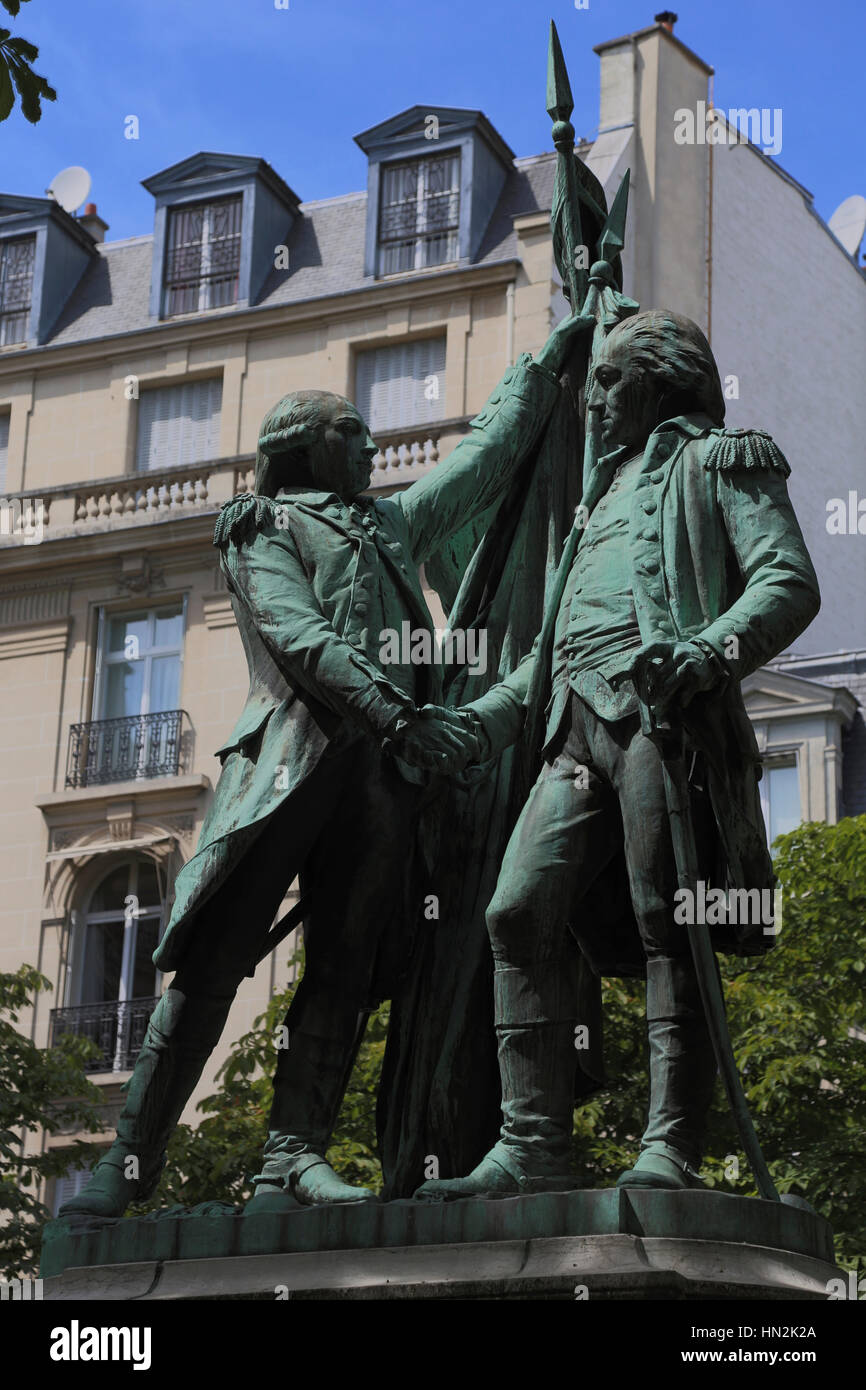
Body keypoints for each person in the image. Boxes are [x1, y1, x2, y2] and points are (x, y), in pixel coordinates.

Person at [60, 311, 592, 1218]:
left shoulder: (386, 525)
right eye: (353, 430)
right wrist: (398, 715)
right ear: (303, 446)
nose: (371, 441)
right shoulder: (260, 524)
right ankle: (127, 1167)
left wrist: (550, 362)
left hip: (380, 783)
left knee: (345, 968)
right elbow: (299, 636)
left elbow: (476, 467)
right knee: (216, 961)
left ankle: (289, 1157)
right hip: (288, 766)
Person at [416, 309, 821, 1198]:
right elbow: (542, 654)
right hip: (573, 726)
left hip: (662, 721)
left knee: (671, 921)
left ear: (657, 380)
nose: (591, 399)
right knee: (515, 915)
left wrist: (707, 651)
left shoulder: (721, 458)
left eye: (606, 380)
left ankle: (670, 1143)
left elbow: (788, 580)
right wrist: (478, 724)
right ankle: (532, 1146)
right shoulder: (594, 504)